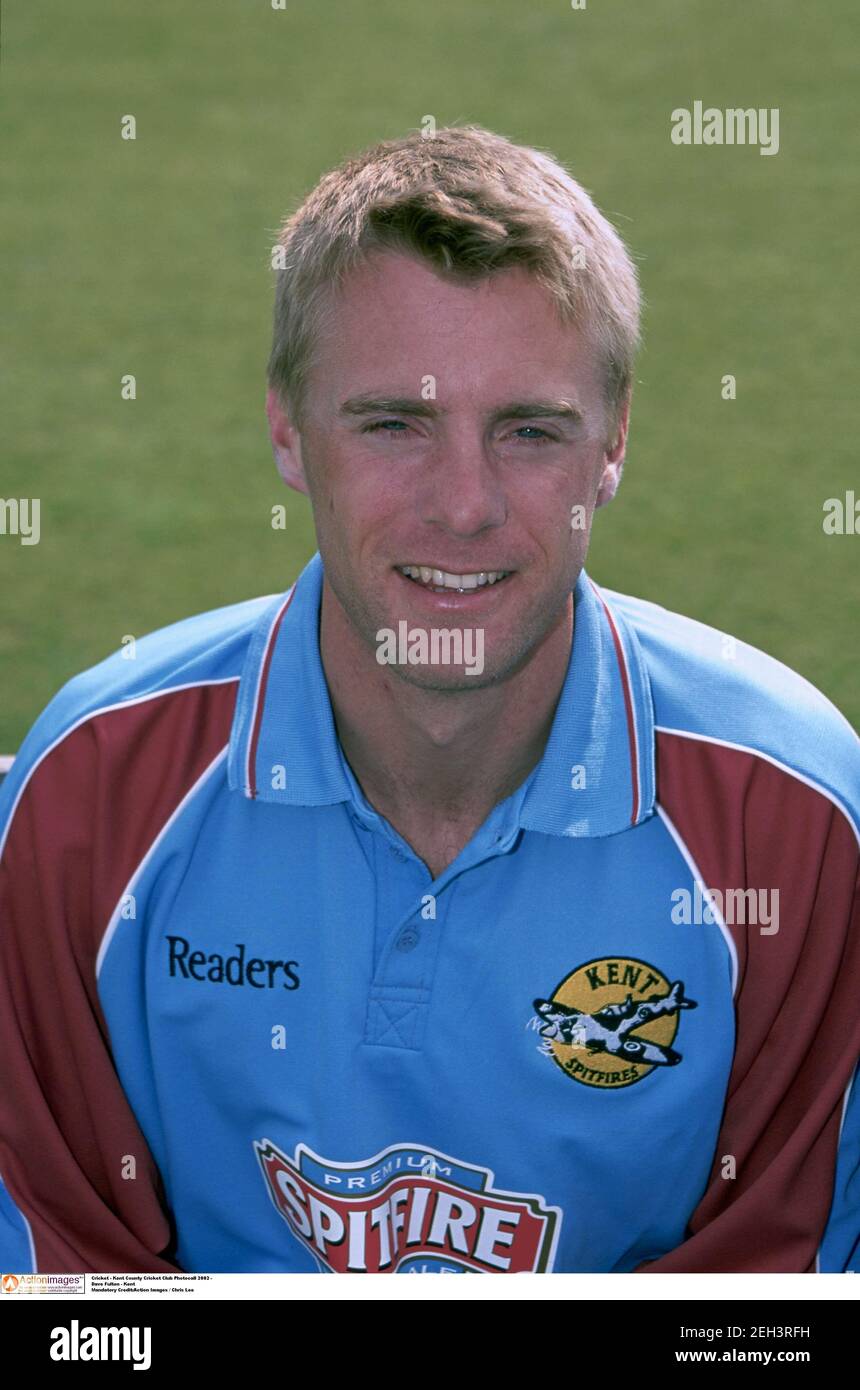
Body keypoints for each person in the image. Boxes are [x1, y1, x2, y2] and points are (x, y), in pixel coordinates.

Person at [0, 126, 857, 1275]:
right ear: (287, 429)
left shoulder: (792, 814)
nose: (462, 506)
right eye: (394, 423)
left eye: (529, 431)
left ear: (613, 442)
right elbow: (71, 1294)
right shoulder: (90, 795)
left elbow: (768, 1310)